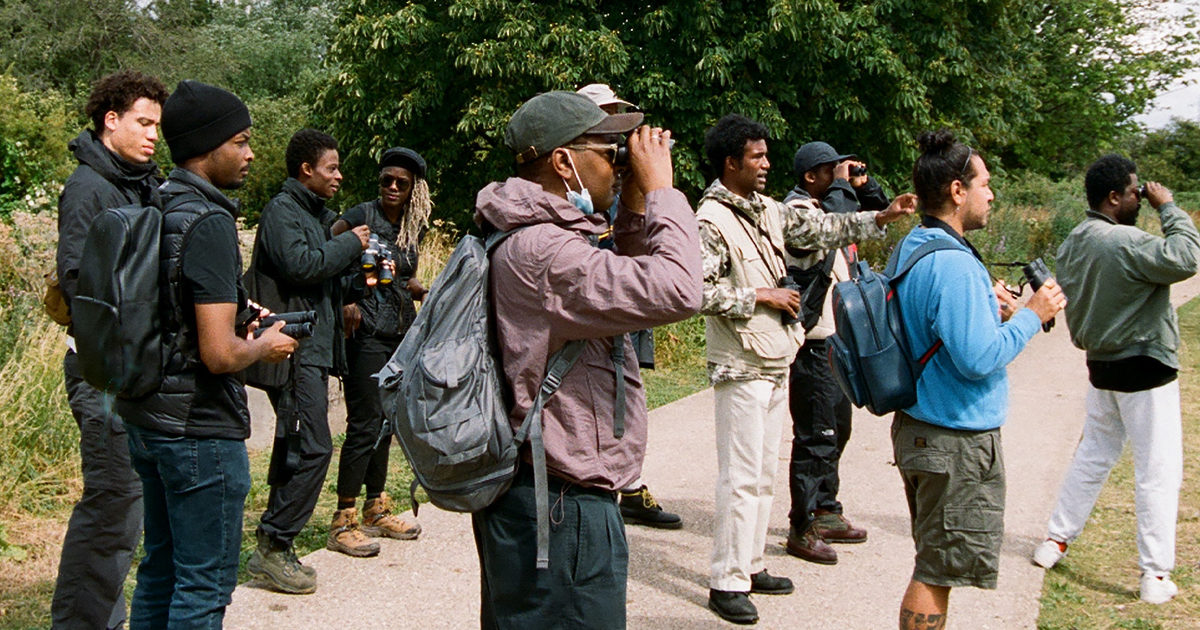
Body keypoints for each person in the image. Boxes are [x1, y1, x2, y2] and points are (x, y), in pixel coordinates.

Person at [472, 90, 702, 628]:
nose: (620, 165)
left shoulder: (532, 237)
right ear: (563, 161)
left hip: (542, 496)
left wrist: (637, 204)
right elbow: (677, 290)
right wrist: (664, 189)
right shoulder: (546, 252)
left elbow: (627, 288)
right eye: (610, 152)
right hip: (560, 508)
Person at [698, 114, 916, 625]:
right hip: (741, 364)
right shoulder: (710, 219)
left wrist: (881, 218)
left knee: (764, 474)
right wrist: (760, 295)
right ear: (731, 162)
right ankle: (725, 581)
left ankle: (751, 567)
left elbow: (821, 226)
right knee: (741, 477)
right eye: (757, 156)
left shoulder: (766, 210)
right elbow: (695, 292)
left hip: (774, 354)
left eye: (766, 155)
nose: (767, 164)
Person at [116, 79, 298, 628]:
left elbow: (174, 311)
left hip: (149, 417)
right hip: (199, 430)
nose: (250, 154)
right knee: (202, 586)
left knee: (160, 571)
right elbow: (218, 355)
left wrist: (241, 317)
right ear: (206, 146)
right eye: (240, 142)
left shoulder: (161, 201)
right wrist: (264, 345)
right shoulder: (211, 220)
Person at [890, 130, 1065, 630]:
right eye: (985, 183)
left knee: (935, 560)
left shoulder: (916, 245)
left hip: (923, 427)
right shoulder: (954, 264)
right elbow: (979, 358)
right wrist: (1032, 314)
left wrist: (994, 309)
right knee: (936, 570)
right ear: (956, 190)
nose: (992, 194)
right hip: (956, 440)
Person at [1031, 154, 1199, 604]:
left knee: (1093, 457)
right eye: (1133, 191)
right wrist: (1169, 207)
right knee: (1157, 471)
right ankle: (1155, 575)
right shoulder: (1124, 239)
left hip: (1101, 366)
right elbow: (1187, 257)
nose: (1139, 197)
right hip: (1146, 365)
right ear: (1113, 197)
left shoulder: (1074, 242)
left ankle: (1055, 541)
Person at [52, 69, 167, 630]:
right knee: (112, 502)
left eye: (158, 127)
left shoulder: (140, 182)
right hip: (102, 372)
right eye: (143, 123)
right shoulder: (89, 187)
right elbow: (80, 285)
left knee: (129, 504)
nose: (152, 136)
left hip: (134, 368)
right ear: (110, 120)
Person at [244, 128, 369, 593]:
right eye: (331, 168)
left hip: (309, 349)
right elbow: (302, 265)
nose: (339, 176)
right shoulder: (282, 211)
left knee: (296, 445)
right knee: (314, 447)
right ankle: (274, 546)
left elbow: (320, 270)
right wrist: (348, 245)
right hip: (292, 349)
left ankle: (275, 543)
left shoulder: (311, 214)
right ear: (306, 170)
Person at [576, 82, 681, 530]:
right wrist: (662, 188)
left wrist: (640, 189)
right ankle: (610, 485)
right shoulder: (571, 203)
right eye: (605, 128)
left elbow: (638, 259)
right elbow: (675, 287)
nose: (617, 149)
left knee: (628, 395)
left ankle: (629, 482)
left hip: (614, 327)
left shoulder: (606, 193)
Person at [779, 141, 888, 564]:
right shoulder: (799, 212)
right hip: (812, 344)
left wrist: (861, 181)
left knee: (837, 431)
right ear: (811, 176)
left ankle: (826, 509)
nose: (839, 177)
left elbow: (874, 209)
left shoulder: (828, 203)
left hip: (836, 340)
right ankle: (801, 525)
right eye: (831, 171)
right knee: (816, 438)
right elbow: (841, 222)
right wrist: (843, 186)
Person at [325, 147, 428, 557]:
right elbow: (325, 255)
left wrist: (415, 286)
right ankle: (343, 517)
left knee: (386, 422)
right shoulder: (359, 216)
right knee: (364, 422)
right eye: (386, 180)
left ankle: (375, 507)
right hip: (364, 332)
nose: (392, 187)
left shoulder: (410, 227)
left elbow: (397, 276)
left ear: (412, 189)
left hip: (398, 335)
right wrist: (345, 299)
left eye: (401, 183)